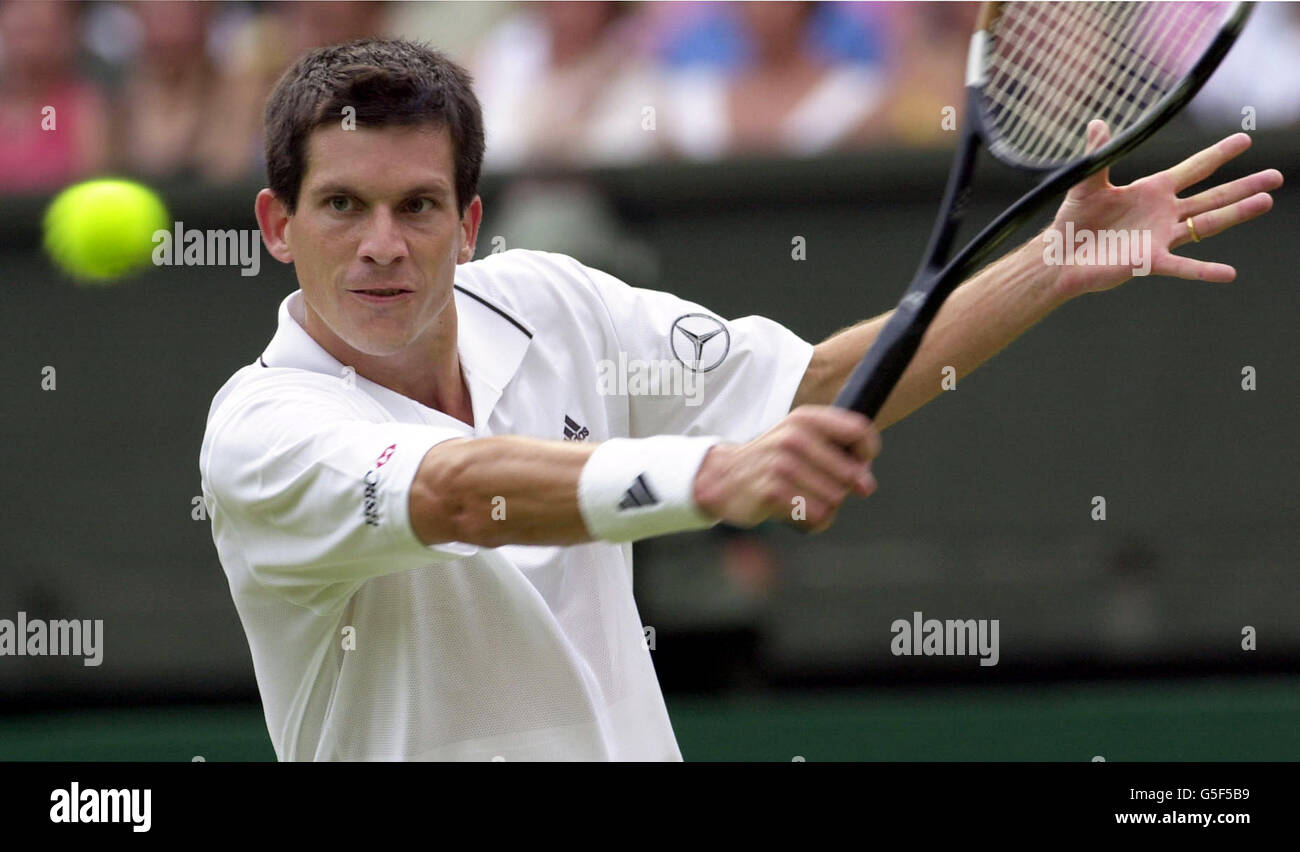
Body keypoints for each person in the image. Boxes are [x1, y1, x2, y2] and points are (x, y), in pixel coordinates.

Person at [198, 38, 1280, 761]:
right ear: (276, 224)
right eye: (341, 204)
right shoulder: (261, 432)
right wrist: (712, 475)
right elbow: (458, 497)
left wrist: (1048, 264)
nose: (382, 244)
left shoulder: (550, 302)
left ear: (469, 224)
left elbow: (808, 385)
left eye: (416, 206)